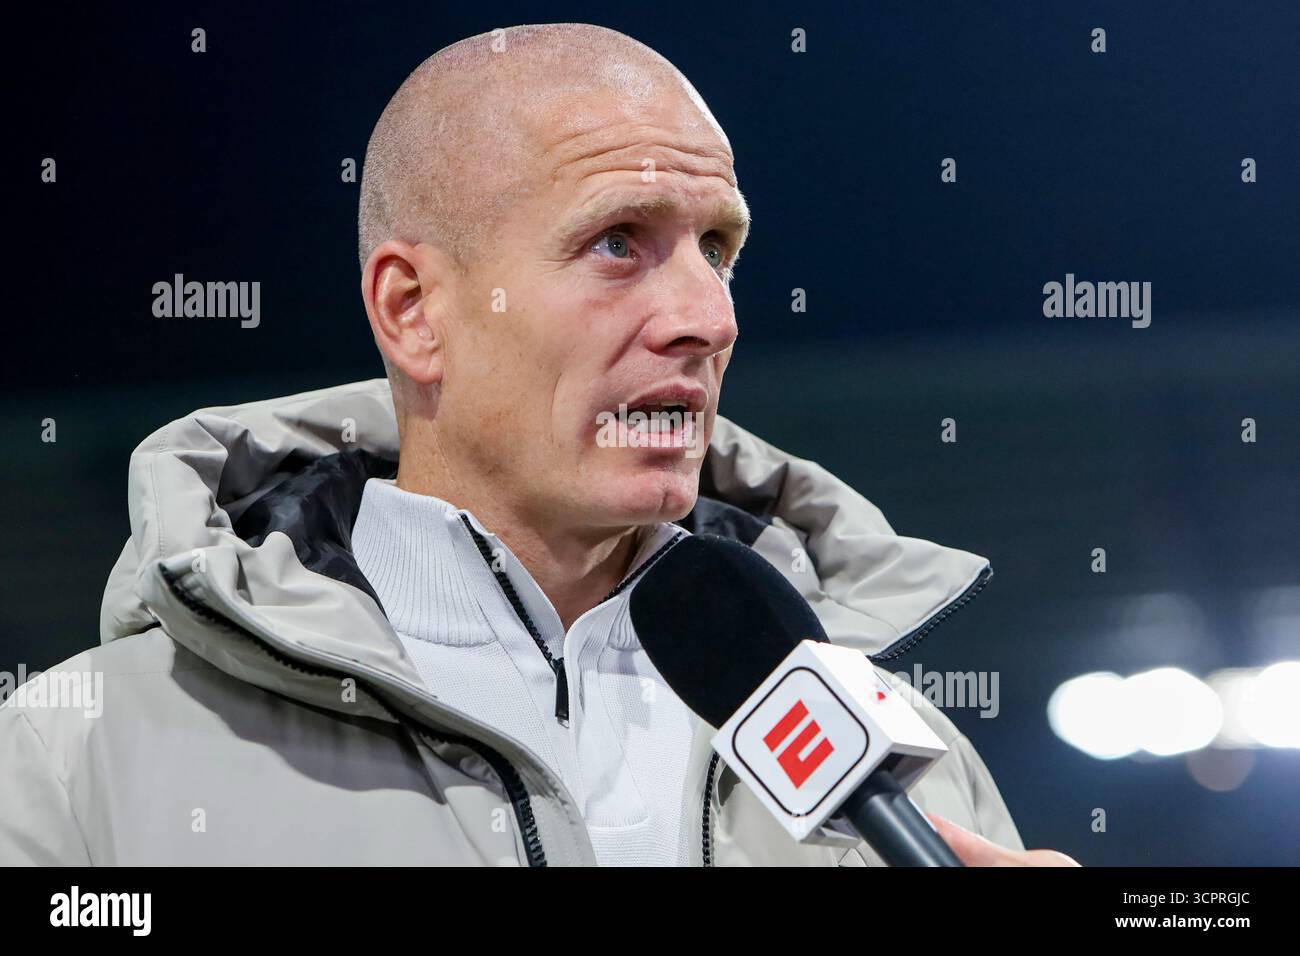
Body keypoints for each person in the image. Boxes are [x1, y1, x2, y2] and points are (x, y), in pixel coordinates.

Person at [0, 22, 1074, 866]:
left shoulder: (907, 764)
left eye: (718, 248)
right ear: (414, 310)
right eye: (619, 242)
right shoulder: (73, 755)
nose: (708, 314)